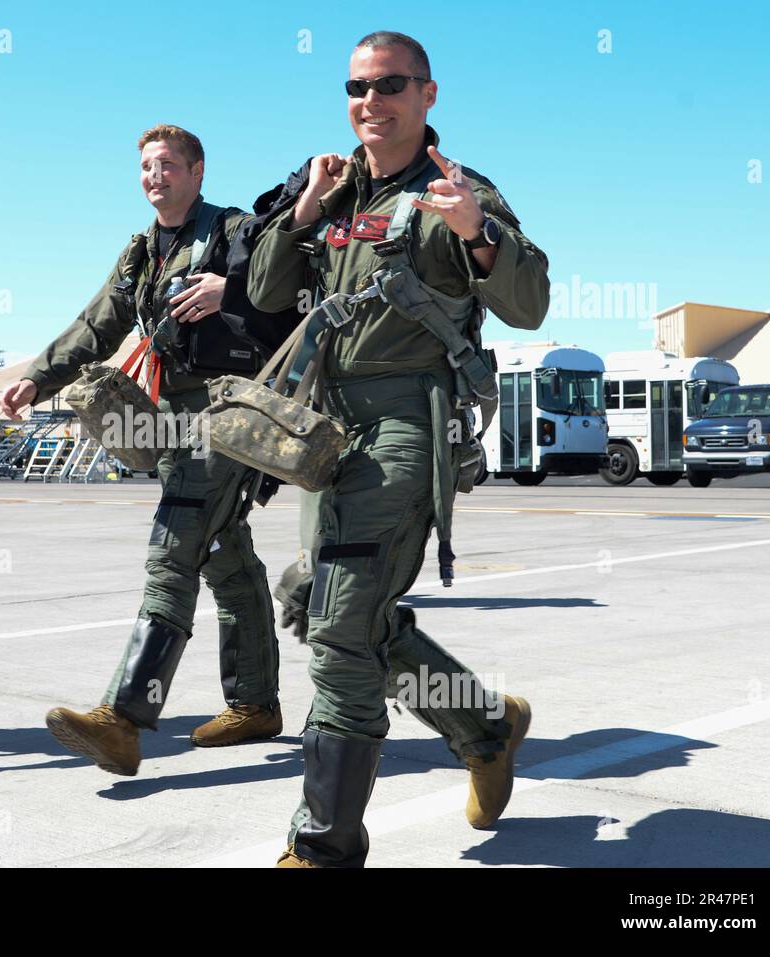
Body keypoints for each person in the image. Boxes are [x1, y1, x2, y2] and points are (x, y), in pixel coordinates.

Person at [246, 33, 550, 866]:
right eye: (355, 86)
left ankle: (322, 846)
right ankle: (483, 725)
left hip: (407, 424)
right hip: (330, 432)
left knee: (343, 631)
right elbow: (266, 293)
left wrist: (477, 230)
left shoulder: (458, 190)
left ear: (427, 95)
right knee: (325, 606)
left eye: (388, 85)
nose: (368, 100)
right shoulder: (336, 191)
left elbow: (530, 304)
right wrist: (304, 208)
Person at [1, 125, 282, 775]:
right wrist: (38, 376)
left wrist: (229, 292)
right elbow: (99, 321)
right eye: (147, 168)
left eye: (168, 166)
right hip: (171, 417)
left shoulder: (237, 232)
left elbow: (298, 293)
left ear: (198, 171)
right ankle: (256, 703)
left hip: (228, 410)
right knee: (225, 555)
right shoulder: (143, 252)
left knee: (173, 545)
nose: (155, 176)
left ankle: (123, 716)